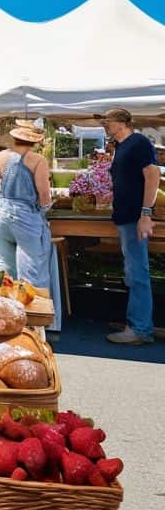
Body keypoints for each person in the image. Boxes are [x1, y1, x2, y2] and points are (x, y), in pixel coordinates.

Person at [100, 108, 159, 345]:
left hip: (135, 217)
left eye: (108, 122)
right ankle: (137, 322)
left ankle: (140, 329)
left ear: (122, 122)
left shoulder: (139, 143)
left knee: (137, 272)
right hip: (127, 216)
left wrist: (145, 213)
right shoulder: (123, 145)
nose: (106, 125)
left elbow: (153, 176)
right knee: (133, 271)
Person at [0, 121, 52, 290]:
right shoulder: (38, 160)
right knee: (31, 267)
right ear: (34, 141)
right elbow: (44, 194)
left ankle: (2, 308)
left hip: (1, 213)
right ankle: (33, 311)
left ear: (14, 138)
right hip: (25, 215)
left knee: (2, 264)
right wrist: (44, 210)